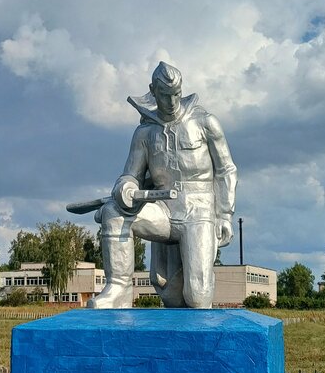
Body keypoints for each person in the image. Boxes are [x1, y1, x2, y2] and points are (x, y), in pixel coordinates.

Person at [88, 61, 237, 308]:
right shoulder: (145, 133)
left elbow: (226, 170)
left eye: (175, 94)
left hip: (199, 212)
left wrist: (225, 215)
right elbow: (131, 175)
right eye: (165, 95)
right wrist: (125, 188)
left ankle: (189, 285)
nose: (171, 102)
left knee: (197, 298)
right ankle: (118, 290)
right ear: (153, 91)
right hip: (163, 211)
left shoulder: (205, 123)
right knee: (114, 212)